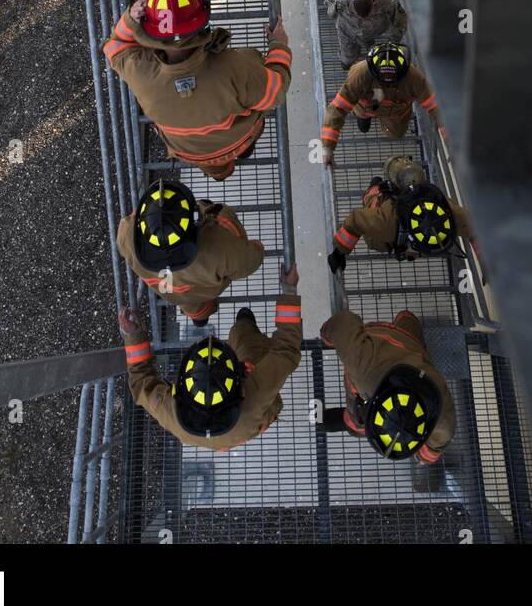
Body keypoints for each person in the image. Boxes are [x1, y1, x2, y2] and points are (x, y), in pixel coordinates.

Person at [104, 0, 292, 181]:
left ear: (151, 33)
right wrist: (279, 46)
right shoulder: (234, 67)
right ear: (202, 24)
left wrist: (129, 20)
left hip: (188, 152)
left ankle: (225, 166)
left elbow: (115, 47)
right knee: (244, 138)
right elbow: (276, 91)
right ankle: (242, 152)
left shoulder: (141, 71)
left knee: (216, 155)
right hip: (239, 140)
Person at [120, 265, 302, 450]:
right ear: (239, 380)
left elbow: (141, 383)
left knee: (245, 334)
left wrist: (134, 337)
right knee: (244, 334)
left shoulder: (172, 412)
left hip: (240, 430)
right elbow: (286, 350)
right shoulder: (255, 396)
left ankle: (239, 324)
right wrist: (289, 291)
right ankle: (244, 326)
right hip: (258, 412)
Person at [117, 177, 265, 323]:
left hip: (173, 294)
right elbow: (252, 258)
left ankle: (200, 317)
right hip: (203, 286)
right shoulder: (217, 249)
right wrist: (213, 212)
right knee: (222, 218)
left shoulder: (127, 236)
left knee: (193, 305)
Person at [319, 306, 455, 464]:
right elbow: (342, 322)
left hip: (408, 343)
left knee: (407, 318)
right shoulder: (364, 366)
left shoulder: (443, 420)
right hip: (388, 342)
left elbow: (342, 322)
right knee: (357, 412)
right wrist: (421, 458)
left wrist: (327, 336)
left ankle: (352, 423)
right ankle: (353, 423)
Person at [327, 155, 475, 272]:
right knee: (371, 198)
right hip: (381, 228)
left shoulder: (444, 209)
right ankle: (374, 187)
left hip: (400, 226)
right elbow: (355, 221)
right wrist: (339, 252)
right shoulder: (387, 221)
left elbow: (474, 229)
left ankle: (377, 185)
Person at [320, 42, 440, 164]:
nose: (387, 80)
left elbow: (435, 107)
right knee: (363, 125)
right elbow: (338, 108)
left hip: (395, 114)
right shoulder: (360, 74)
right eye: (383, 76)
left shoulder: (414, 78)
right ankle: (363, 118)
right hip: (365, 109)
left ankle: (381, 124)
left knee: (396, 134)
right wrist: (327, 147)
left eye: (391, 77)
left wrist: (452, 139)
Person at [326, 0, 407, 68]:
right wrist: (334, 16)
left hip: (373, 31)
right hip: (347, 31)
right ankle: (347, 64)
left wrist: (392, 44)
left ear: (373, 4)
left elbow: (400, 22)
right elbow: (330, 8)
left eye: (366, 16)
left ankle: (369, 45)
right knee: (347, 59)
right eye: (356, 14)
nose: (361, 19)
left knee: (379, 52)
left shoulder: (388, 1)